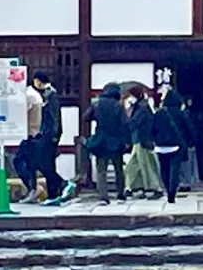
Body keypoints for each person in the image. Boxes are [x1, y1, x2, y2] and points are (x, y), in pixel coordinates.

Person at [32, 70, 77, 207]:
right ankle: (54, 194)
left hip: (49, 135)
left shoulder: (51, 95)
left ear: (38, 81)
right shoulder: (47, 94)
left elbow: (54, 117)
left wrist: (54, 135)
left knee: (43, 163)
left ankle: (62, 184)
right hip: (47, 134)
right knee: (46, 164)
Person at [86, 82, 129, 204]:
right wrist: (126, 140)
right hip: (116, 141)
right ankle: (120, 194)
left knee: (101, 170)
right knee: (118, 169)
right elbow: (124, 124)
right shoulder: (118, 106)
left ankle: (103, 196)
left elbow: (86, 117)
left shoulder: (97, 104)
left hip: (101, 141)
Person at [153, 89, 193, 205]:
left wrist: (155, 140)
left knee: (164, 169)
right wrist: (191, 141)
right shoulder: (181, 113)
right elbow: (189, 128)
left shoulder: (159, 113)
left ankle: (166, 188)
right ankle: (172, 192)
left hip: (161, 145)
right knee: (174, 169)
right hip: (177, 144)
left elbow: (153, 128)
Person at [124, 85, 163, 198]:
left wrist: (127, 114)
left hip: (142, 140)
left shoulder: (142, 108)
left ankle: (156, 188)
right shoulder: (140, 106)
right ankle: (132, 186)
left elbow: (133, 123)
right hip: (138, 140)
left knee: (147, 165)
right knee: (133, 165)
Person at [14, 82, 45, 202]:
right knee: (32, 164)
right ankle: (33, 189)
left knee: (18, 161)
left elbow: (20, 113)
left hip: (30, 135)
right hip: (35, 134)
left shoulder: (28, 95)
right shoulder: (34, 94)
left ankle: (34, 188)